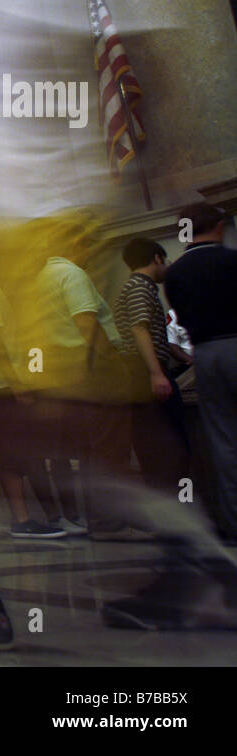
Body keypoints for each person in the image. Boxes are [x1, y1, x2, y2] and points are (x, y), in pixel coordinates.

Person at [27, 216, 145, 541]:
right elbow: (87, 324)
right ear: (76, 243)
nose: (90, 253)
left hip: (65, 374)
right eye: (88, 245)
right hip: (94, 370)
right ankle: (111, 523)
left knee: (91, 451)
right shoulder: (70, 273)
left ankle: (101, 521)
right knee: (111, 448)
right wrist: (113, 361)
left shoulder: (40, 278)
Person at [0, 252, 68, 539]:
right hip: (3, 385)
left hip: (2, 383)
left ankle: (31, 517)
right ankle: (21, 519)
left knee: (17, 449)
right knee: (11, 451)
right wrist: (15, 382)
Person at [164, 202, 237, 540]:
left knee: (222, 441)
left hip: (205, 353)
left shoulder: (175, 272)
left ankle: (232, 522)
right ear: (220, 227)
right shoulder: (231, 259)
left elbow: (178, 315)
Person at [114, 237, 190, 496]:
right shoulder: (139, 286)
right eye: (165, 260)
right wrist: (157, 373)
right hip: (144, 372)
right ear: (157, 258)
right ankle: (173, 514)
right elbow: (140, 328)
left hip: (142, 371)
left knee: (156, 445)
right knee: (165, 444)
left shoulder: (136, 286)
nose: (166, 266)